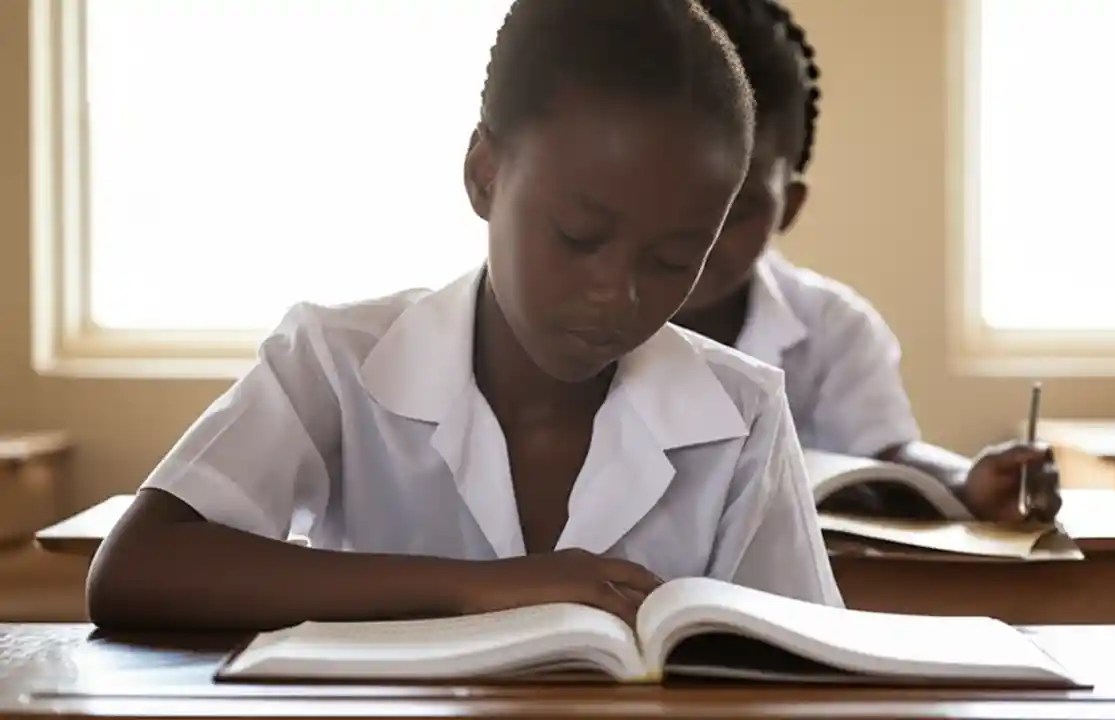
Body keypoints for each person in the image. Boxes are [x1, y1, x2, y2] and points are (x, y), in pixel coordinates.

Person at [86, 0, 842, 632]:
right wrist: (484, 587)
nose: (620, 294)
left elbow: (802, 656)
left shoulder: (742, 414)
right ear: (484, 174)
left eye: (675, 261)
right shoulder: (336, 360)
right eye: (579, 238)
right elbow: (135, 569)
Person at [674, 0, 1060, 523]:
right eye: (675, 200)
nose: (698, 236)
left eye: (736, 210)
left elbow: (888, 457)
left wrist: (966, 483)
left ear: (789, 207)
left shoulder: (832, 329)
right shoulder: (592, 315)